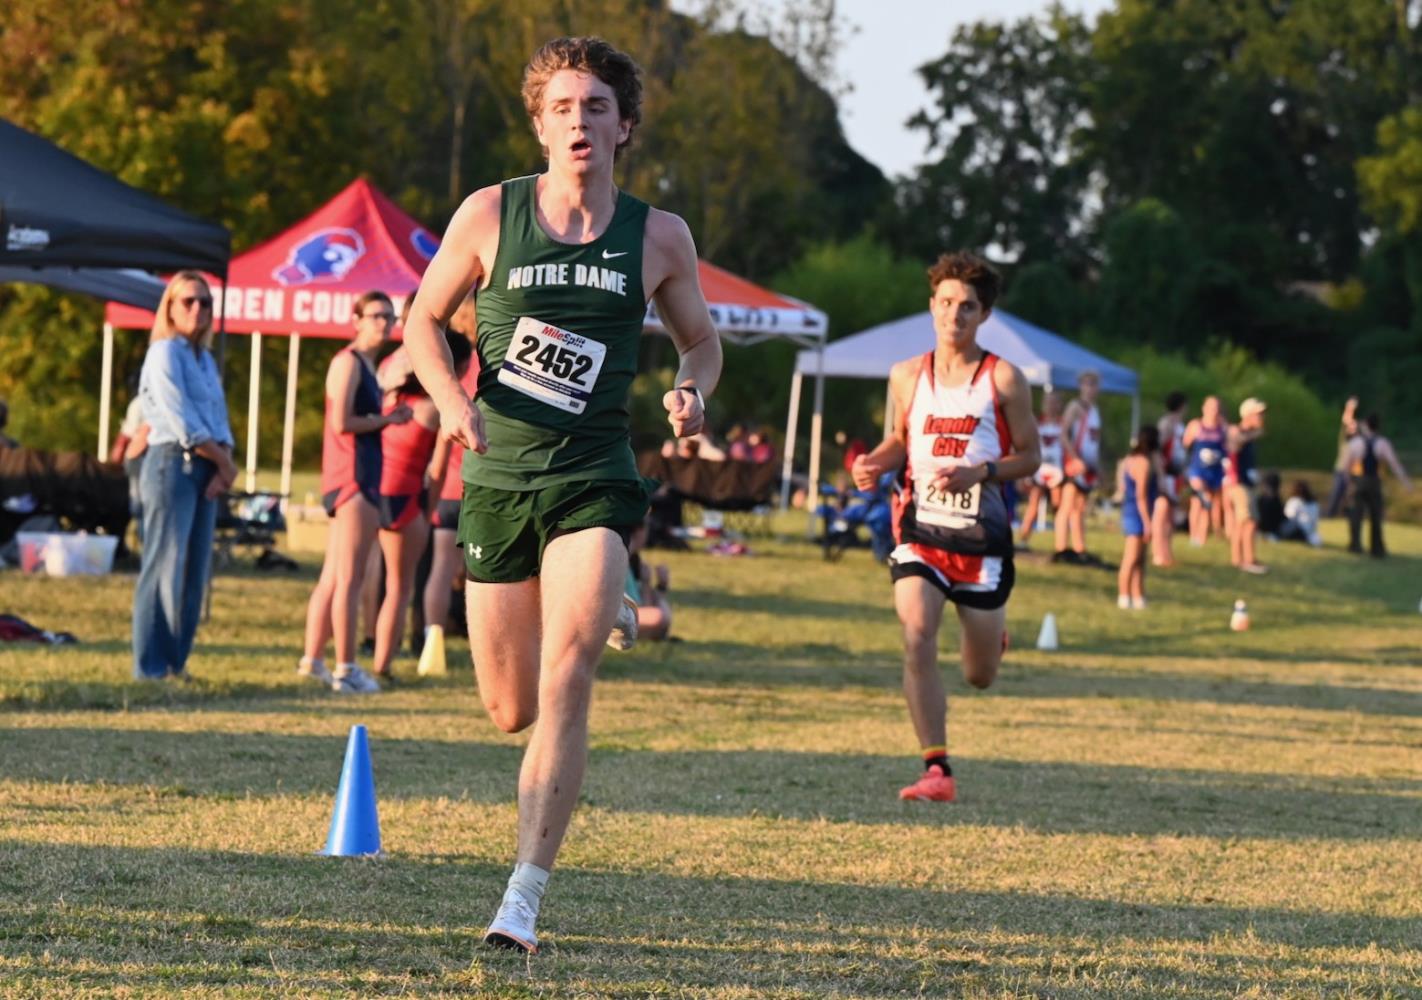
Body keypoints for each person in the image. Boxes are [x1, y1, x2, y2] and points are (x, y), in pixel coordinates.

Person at [400, 36, 723, 953]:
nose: (578, 121)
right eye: (562, 108)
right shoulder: (487, 215)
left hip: (593, 475)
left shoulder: (659, 235)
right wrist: (451, 398)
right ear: (540, 125)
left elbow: (701, 340)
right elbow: (423, 319)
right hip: (498, 478)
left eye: (595, 107)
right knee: (510, 708)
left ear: (623, 126)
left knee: (569, 670)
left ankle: (522, 898)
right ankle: (609, 590)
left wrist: (693, 388)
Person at [851, 251, 1040, 805]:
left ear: (984, 315)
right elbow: (899, 440)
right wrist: (873, 462)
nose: (955, 315)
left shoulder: (1004, 378)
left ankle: (992, 639)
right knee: (916, 634)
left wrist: (979, 472)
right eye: (946, 303)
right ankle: (938, 769)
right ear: (932, 305)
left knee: (980, 675)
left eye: (968, 307)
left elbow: (1030, 457)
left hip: (982, 541)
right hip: (921, 533)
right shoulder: (907, 375)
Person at [299, 291, 412, 694]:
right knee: (352, 577)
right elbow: (343, 422)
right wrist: (387, 419)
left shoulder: (369, 365)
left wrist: (388, 414)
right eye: (376, 316)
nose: (384, 323)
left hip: (359, 476)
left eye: (389, 316)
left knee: (333, 576)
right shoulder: (347, 363)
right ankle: (346, 669)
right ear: (357, 320)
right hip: (352, 478)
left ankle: (313, 660)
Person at [131, 271, 238, 680]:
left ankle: (176, 662)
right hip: (171, 464)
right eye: (188, 301)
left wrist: (223, 464)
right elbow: (183, 421)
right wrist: (224, 464)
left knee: (194, 573)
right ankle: (150, 667)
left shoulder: (204, 358)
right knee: (163, 566)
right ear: (170, 309)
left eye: (205, 302)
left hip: (208, 467)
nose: (198, 309)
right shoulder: (164, 353)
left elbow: (217, 417)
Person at [369, 332, 470, 681]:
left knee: (352, 579)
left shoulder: (394, 395)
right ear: (454, 365)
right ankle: (382, 666)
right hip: (405, 497)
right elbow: (438, 470)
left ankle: (342, 658)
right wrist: (426, 512)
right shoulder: (437, 409)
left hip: (373, 490)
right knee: (400, 587)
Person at [422, 297, 480, 645]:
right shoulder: (490, 361)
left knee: (441, 568)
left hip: (447, 487)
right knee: (482, 573)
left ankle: (433, 639)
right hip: (481, 483)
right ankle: (482, 640)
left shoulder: (448, 366)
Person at [1342, 413, 1414, 557]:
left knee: (1356, 515)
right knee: (1376, 515)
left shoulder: (1355, 443)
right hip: (1374, 482)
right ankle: (1377, 548)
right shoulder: (1383, 443)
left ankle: (1355, 545)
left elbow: (1346, 466)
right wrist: (1406, 482)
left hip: (1359, 481)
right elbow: (1394, 464)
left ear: (1365, 425)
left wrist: (1348, 483)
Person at [1052, 370, 1101, 564]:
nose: (1090, 388)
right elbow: (1063, 434)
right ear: (1081, 386)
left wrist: (1096, 464)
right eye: (1087, 384)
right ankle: (1061, 547)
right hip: (1074, 462)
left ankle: (1079, 547)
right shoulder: (1076, 406)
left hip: (1088, 463)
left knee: (1079, 507)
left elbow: (1094, 439)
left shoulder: (1094, 410)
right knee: (1067, 504)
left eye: (1093, 384)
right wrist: (1074, 458)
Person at [1117, 425, 1159, 610]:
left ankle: (1138, 594)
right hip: (1137, 513)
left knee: (1141, 558)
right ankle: (1124, 594)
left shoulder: (1129, 460)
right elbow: (1141, 495)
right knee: (1131, 557)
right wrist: (1148, 522)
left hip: (1132, 509)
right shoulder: (1143, 463)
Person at [1224, 397, 1268, 574]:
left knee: (1249, 521)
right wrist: (1252, 435)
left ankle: (1246, 558)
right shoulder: (1237, 430)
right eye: (1258, 414)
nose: (1262, 418)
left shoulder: (1249, 435)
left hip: (1247, 482)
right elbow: (1233, 444)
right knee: (1246, 521)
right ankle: (1244, 560)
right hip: (1237, 482)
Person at [1017, 390, 1063, 546]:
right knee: (1034, 503)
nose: (1051, 406)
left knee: (1058, 505)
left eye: (1054, 402)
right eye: (1048, 402)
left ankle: (1060, 541)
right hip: (1040, 469)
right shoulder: (1038, 423)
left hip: (1058, 471)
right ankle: (1024, 538)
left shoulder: (1063, 424)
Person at [1183, 395, 1228, 545]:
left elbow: (1228, 447)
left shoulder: (1223, 427)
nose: (1213, 411)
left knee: (1208, 503)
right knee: (1199, 500)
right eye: (1210, 407)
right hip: (1198, 469)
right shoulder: (1195, 425)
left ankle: (1201, 537)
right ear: (1204, 408)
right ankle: (1193, 535)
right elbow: (1184, 446)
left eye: (1216, 408)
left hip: (1215, 470)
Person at [1151, 390, 1188, 567]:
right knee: (1162, 513)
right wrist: (1160, 474)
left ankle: (1167, 552)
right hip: (1166, 474)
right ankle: (1158, 552)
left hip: (1175, 474)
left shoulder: (1179, 424)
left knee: (1170, 516)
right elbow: (1156, 449)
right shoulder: (1167, 423)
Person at [625, 519, 672, 639]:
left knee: (659, 613)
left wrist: (661, 585)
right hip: (615, 617)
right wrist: (646, 583)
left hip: (627, 615)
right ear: (640, 530)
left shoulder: (633, 560)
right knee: (657, 616)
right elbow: (643, 607)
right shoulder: (622, 560)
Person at [1325, 396, 1360, 518]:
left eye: (1355, 427)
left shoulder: (1357, 442)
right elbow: (1346, 420)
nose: (1352, 428)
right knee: (1337, 493)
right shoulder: (1345, 438)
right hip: (1341, 470)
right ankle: (1330, 515)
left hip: (1352, 472)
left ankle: (1346, 515)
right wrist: (1350, 408)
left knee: (1349, 496)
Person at [1281, 480, 1322, 546]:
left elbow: (1289, 517)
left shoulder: (1294, 501)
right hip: (1310, 531)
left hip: (1298, 531)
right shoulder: (1314, 504)